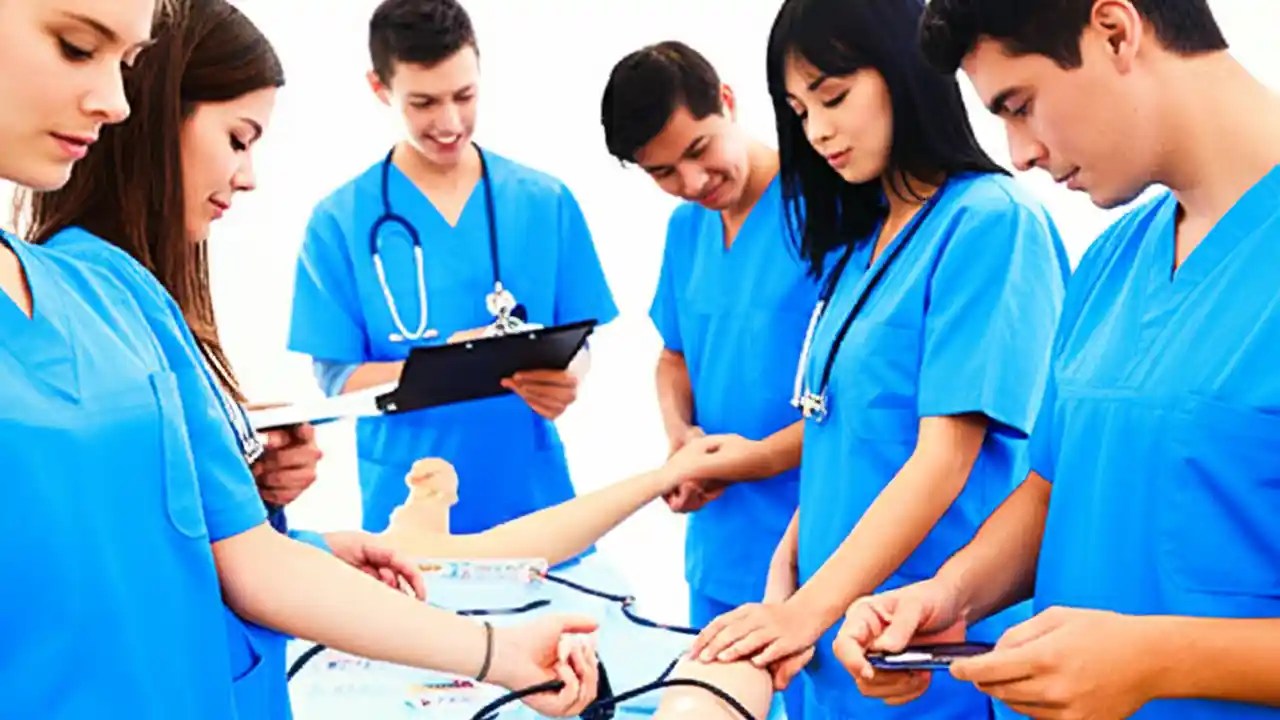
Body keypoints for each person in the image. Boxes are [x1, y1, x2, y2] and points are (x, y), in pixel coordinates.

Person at [0, 1, 598, 717]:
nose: (115, 103)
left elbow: (233, 554)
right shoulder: (332, 221)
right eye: (75, 47)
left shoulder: (115, 292)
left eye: (125, 64)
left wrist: (498, 651)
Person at [836, 1, 1280, 718]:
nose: (1020, 154)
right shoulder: (1110, 262)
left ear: (1115, 32)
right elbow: (1052, 490)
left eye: (1020, 107)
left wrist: (1159, 660)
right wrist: (950, 594)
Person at [674, 0, 1071, 717]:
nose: (818, 131)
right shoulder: (859, 244)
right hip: (830, 645)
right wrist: (787, 578)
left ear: (904, 70)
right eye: (799, 112)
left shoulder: (990, 223)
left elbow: (943, 458)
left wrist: (806, 611)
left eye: (834, 97)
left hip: (924, 645)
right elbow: (837, 435)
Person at [287, 0, 618, 538]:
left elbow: (578, 342)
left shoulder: (543, 201)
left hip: (534, 505)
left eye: (464, 96)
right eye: (423, 103)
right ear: (379, 88)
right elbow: (337, 381)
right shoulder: (339, 221)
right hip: (408, 516)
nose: (449, 123)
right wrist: (445, 366)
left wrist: (567, 378)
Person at [599, 40, 818, 720]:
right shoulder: (686, 231)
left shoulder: (827, 210)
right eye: (663, 172)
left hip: (814, 546)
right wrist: (681, 438)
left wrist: (757, 459)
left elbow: (863, 401)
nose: (693, 182)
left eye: (699, 150)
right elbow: (674, 356)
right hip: (721, 546)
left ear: (727, 100)